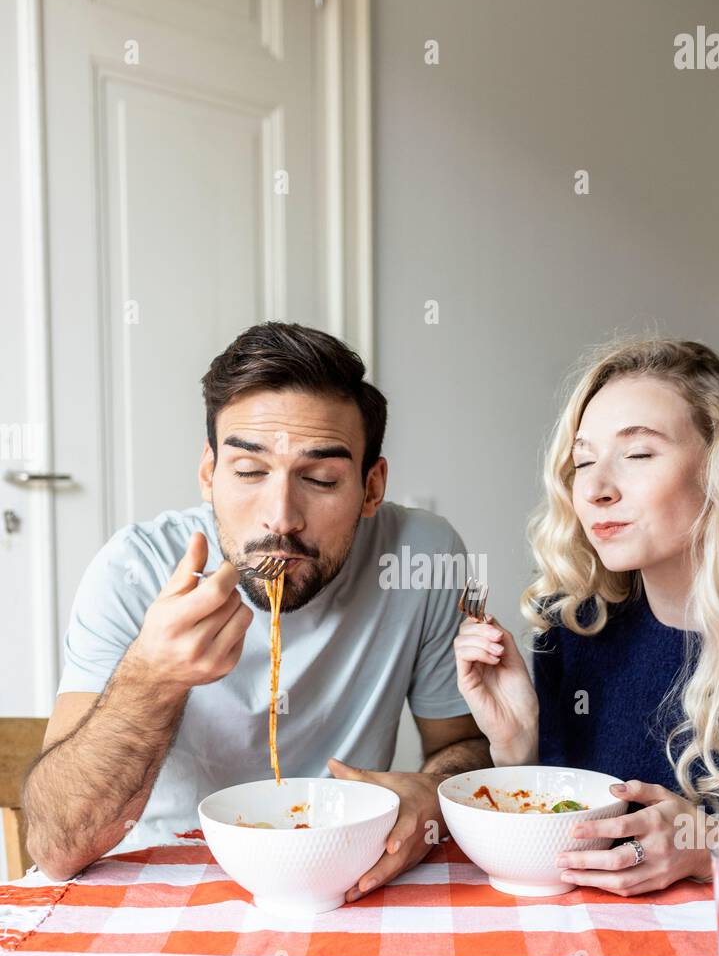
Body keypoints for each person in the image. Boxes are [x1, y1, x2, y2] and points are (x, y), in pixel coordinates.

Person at [24, 322, 488, 894]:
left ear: (372, 488)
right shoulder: (134, 569)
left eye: (320, 479)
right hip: (162, 876)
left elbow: (460, 747)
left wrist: (431, 794)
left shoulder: (421, 556)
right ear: (208, 473)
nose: (281, 517)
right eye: (248, 472)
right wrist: (152, 676)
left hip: (346, 872)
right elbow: (54, 847)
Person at [455, 339, 719, 919]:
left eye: (640, 454)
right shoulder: (574, 631)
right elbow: (566, 858)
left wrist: (711, 849)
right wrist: (519, 747)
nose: (597, 488)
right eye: (583, 460)